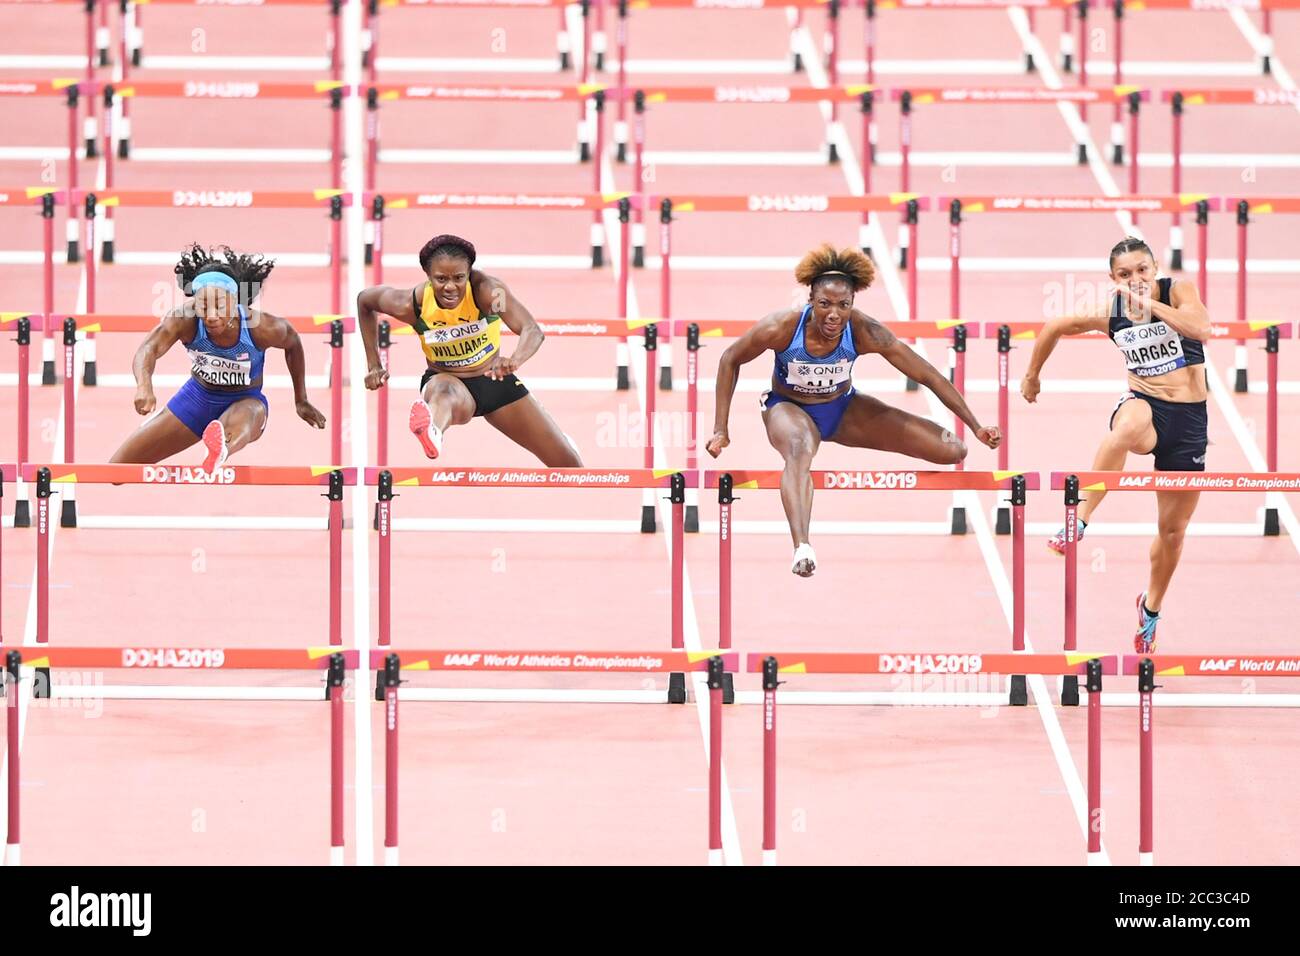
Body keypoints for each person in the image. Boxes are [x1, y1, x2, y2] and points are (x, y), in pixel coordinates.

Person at [706, 243, 1000, 577]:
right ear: (810, 301)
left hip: (843, 409)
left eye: (843, 305)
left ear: (852, 304)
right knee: (800, 449)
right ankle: (802, 547)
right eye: (825, 304)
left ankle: (954, 438)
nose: (834, 314)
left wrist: (974, 425)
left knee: (952, 450)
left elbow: (926, 374)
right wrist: (721, 429)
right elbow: (730, 358)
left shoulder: (863, 329)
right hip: (788, 409)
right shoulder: (783, 327)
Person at [1020, 236, 1212, 651]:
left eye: (1143, 270)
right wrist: (1033, 375)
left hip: (1190, 421)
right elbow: (1055, 326)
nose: (1136, 279)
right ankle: (1079, 519)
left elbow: (1203, 329)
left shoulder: (1177, 291)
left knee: (1173, 531)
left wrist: (1152, 306)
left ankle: (1151, 608)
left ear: (1155, 268)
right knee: (1127, 425)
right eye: (1125, 274)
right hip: (1145, 406)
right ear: (1113, 279)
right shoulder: (1112, 313)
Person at [356, 234, 581, 465]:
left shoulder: (490, 293)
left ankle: (562, 446)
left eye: (459, 278)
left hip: (495, 381)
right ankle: (432, 430)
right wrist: (374, 365)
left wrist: (515, 359)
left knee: (569, 466)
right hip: (447, 381)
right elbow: (365, 301)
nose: (450, 287)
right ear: (427, 275)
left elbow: (531, 330)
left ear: (469, 273)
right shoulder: (411, 304)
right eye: (441, 279)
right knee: (444, 393)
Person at [111, 244, 326, 470]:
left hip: (245, 401)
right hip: (197, 399)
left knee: (242, 418)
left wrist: (301, 399)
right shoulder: (184, 319)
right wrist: (144, 386)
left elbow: (293, 343)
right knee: (117, 470)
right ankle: (218, 443)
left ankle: (220, 450)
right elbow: (148, 349)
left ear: (235, 301)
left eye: (220, 306)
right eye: (203, 305)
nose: (211, 316)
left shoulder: (261, 327)